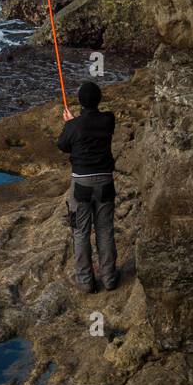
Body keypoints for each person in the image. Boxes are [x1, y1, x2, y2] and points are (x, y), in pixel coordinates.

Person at [57, 81, 118, 293]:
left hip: (81, 184)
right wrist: (75, 124)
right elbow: (91, 125)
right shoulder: (108, 120)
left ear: (80, 102)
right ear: (99, 100)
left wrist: (70, 123)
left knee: (80, 232)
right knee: (104, 230)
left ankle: (85, 281)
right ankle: (109, 278)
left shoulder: (74, 126)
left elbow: (63, 145)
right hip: (105, 183)